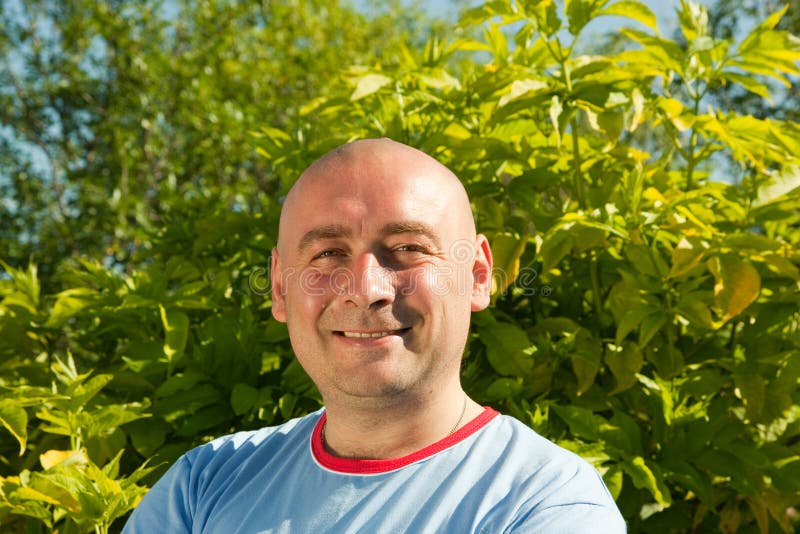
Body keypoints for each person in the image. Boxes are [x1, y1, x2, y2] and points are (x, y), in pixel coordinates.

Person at [123, 138, 626, 533]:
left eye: (408, 248)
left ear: (476, 275)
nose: (365, 289)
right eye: (326, 254)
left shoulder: (544, 505)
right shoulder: (203, 487)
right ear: (280, 287)